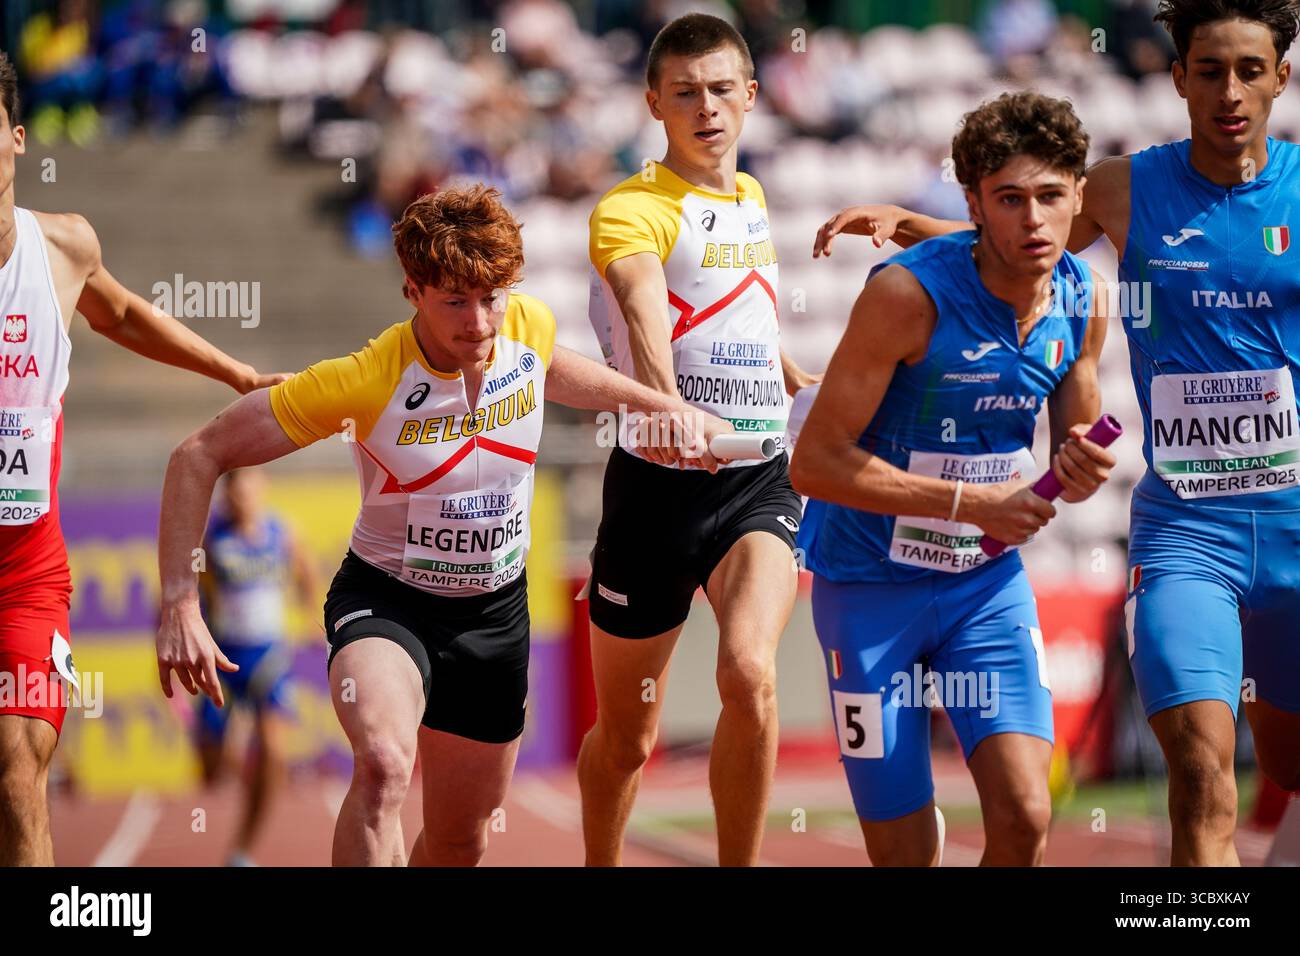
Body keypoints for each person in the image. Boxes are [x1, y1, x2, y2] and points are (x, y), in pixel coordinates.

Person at [814, 0, 1300, 866]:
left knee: (1269, 769)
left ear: (1281, 79)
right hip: (1176, 535)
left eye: (1251, 70)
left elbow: (1037, 261)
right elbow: (1014, 243)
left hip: (1273, 524)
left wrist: (1074, 457)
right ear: (1176, 77)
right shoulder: (1122, 189)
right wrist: (921, 232)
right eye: (1210, 69)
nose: (1231, 91)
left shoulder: (1096, 291)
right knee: (1195, 774)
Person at [155, 184, 730, 867]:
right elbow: (199, 454)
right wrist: (180, 602)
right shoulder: (365, 379)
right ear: (412, 293)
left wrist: (657, 404)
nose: (479, 322)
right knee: (386, 764)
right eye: (455, 301)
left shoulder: (527, 327)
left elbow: (554, 369)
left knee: (463, 839)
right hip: (387, 601)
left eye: (492, 298)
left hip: (494, 615)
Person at [791, 91, 1115, 866]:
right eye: (1009, 200)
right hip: (868, 588)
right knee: (902, 855)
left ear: (1078, 195)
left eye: (1049, 196)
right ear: (973, 204)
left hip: (984, 589)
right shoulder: (907, 296)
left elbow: (1074, 447)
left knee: (1026, 814)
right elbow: (815, 462)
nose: (1033, 220)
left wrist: (1082, 465)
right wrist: (974, 504)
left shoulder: (1083, 299)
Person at [0, 50, 283, 866]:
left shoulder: (63, 247)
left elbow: (121, 316)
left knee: (21, 766)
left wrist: (231, 371)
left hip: (24, 573)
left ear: (18, 139)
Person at [578, 13, 817, 867]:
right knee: (626, 739)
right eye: (685, 93)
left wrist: (793, 375)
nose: (706, 107)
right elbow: (645, 307)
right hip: (653, 492)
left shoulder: (750, 197)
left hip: (755, 484)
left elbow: (739, 311)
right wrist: (669, 403)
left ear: (751, 96)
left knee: (750, 672)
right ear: (655, 102)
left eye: (721, 89)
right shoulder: (631, 209)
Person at [195, 467, 317, 867]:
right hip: (222, 656)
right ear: (225, 495)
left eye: (248, 487)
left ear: (262, 488)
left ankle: (243, 848)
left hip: (269, 655)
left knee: (275, 751)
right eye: (233, 490)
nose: (240, 496)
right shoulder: (211, 538)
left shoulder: (283, 532)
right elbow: (178, 594)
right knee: (212, 771)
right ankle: (236, 755)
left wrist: (310, 624)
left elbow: (307, 579)